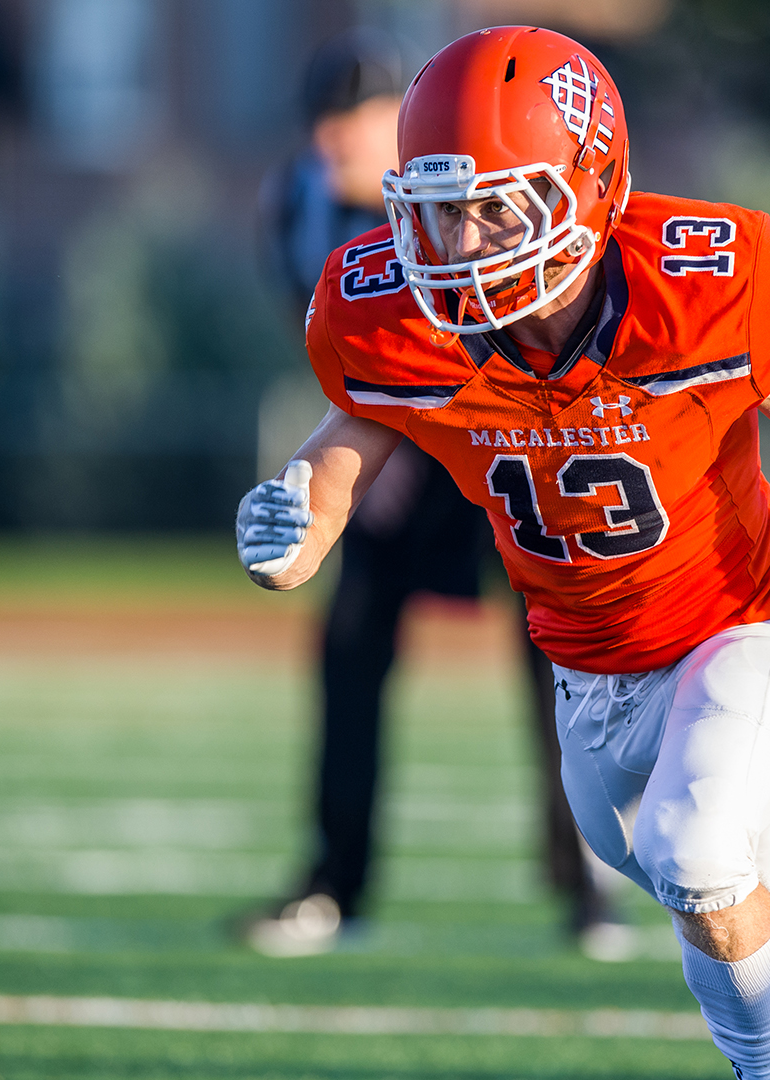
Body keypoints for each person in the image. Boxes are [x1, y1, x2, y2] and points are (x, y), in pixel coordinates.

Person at [237, 25, 770, 1080]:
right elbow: (351, 441)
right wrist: (296, 525)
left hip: (754, 629)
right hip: (589, 679)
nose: (464, 243)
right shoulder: (397, 317)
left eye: (496, 205)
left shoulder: (700, 287)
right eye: (439, 209)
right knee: (749, 899)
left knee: (695, 855)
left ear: (591, 184)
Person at [247, 30, 627, 959]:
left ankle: (586, 879)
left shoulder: (466, 196)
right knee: (348, 648)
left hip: (500, 445)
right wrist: (361, 457)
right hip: (395, 459)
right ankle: (337, 881)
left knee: (556, 655)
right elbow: (348, 360)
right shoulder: (297, 208)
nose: (335, 141)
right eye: (325, 126)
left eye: (355, 122)